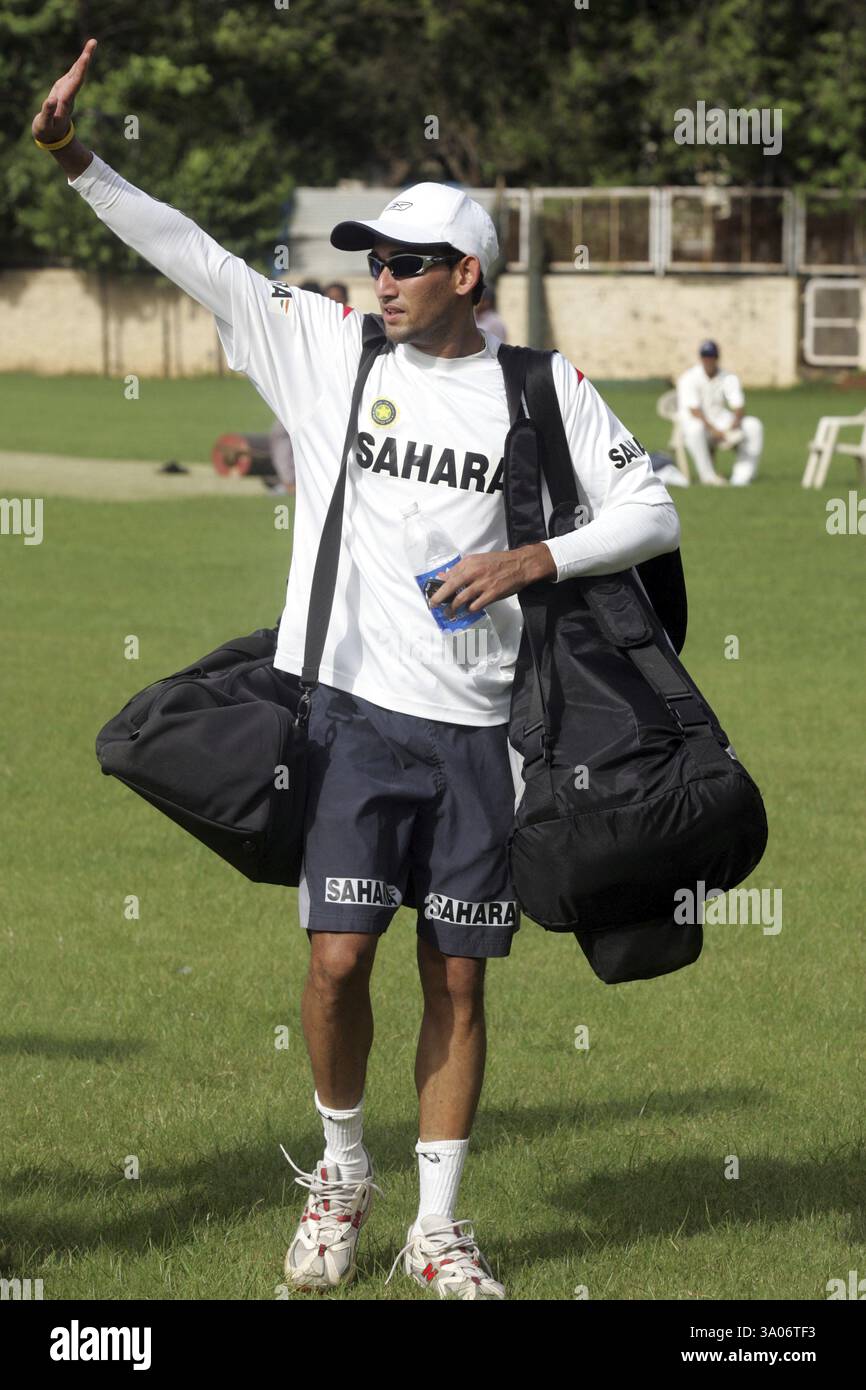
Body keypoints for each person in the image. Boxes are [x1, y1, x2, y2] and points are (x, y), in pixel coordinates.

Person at [36, 39, 681, 1301]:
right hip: (347, 722)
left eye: (399, 262)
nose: (374, 277)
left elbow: (649, 506)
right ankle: (340, 1175)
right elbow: (203, 260)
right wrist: (76, 161)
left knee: (458, 975)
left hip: (484, 735)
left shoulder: (538, 387)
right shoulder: (331, 353)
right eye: (367, 258)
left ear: (465, 276)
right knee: (336, 961)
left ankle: (438, 1229)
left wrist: (533, 558)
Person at [676, 340, 763, 487]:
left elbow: (738, 405)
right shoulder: (689, 378)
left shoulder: (728, 377)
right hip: (695, 422)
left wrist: (733, 425)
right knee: (695, 428)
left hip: (720, 420)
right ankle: (708, 476)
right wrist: (713, 430)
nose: (708, 360)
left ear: (717, 358)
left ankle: (742, 477)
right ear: (701, 358)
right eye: (705, 356)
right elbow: (694, 410)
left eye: (711, 356)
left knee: (753, 425)